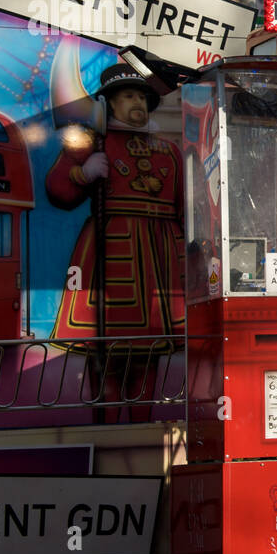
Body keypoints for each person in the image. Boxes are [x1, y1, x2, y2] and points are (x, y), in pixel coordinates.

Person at [46, 64, 184, 415]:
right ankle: (106, 420)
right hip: (110, 252)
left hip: (159, 257)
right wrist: (83, 171)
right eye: (128, 96)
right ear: (109, 104)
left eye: (141, 96)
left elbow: (183, 207)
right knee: (103, 352)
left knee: (149, 351)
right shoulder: (90, 143)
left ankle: (142, 420)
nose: (137, 102)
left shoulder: (169, 151)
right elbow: (59, 189)